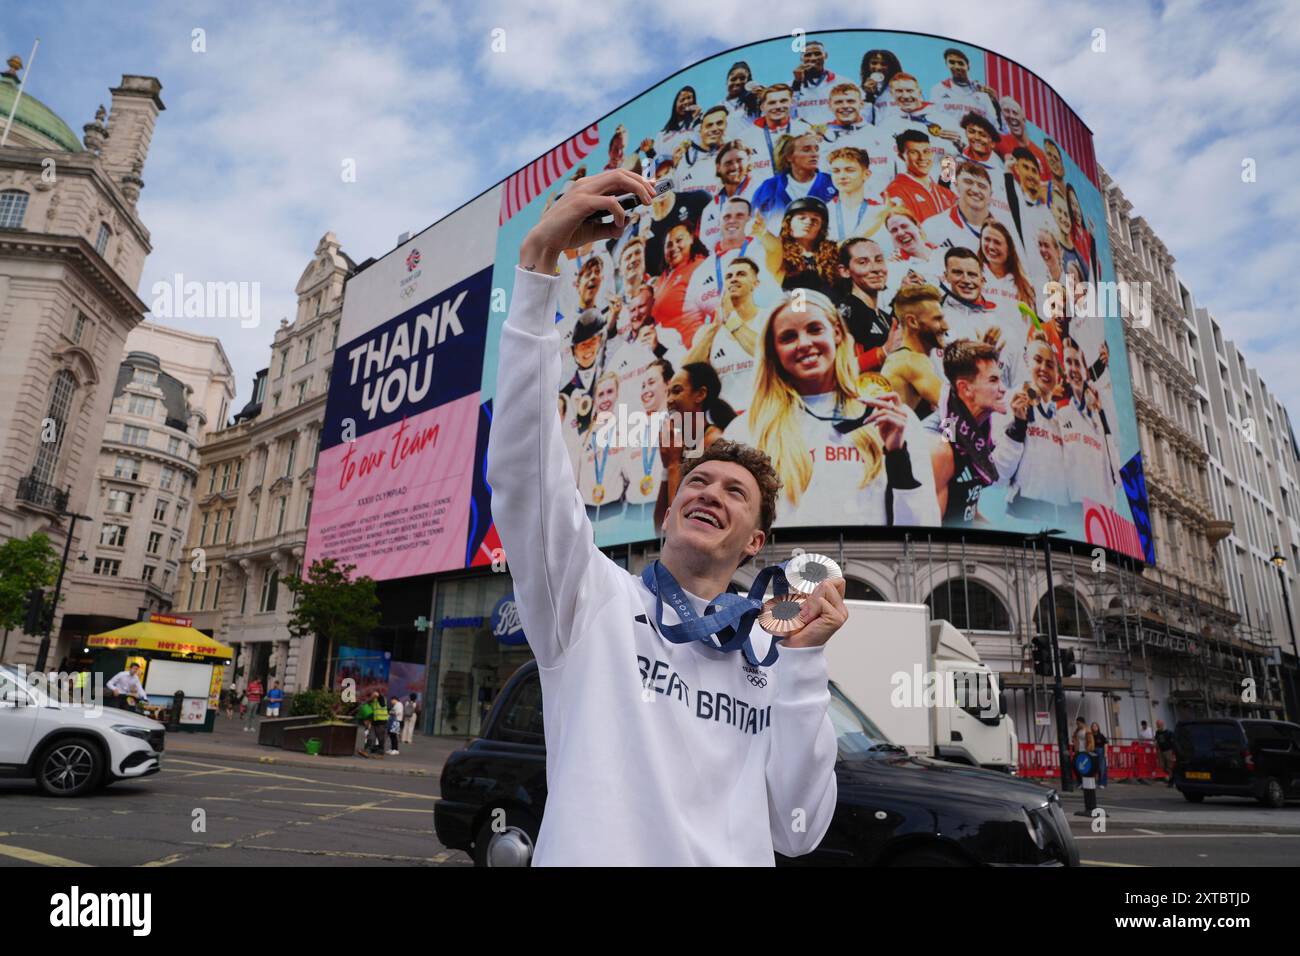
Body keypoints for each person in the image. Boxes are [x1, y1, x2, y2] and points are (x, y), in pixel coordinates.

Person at [489, 168, 844, 865]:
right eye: (699, 481)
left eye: (735, 493)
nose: (709, 492)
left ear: (755, 542)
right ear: (671, 512)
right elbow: (527, 477)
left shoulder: (771, 652)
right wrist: (537, 273)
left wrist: (804, 664)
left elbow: (796, 831)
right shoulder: (590, 604)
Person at [722, 290, 939, 527]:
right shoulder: (745, 430)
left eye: (814, 329)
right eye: (788, 337)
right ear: (773, 350)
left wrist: (898, 456)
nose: (804, 344)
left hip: (870, 564)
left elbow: (923, 530)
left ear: (836, 332)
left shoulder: (892, 417)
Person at [924, 338, 1026, 525]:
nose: (1003, 389)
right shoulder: (940, 447)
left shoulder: (974, 432)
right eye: (993, 380)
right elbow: (929, 533)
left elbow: (967, 509)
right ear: (965, 388)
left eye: (1001, 379)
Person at [654, 362, 738, 527]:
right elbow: (658, 525)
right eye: (668, 393)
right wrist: (666, 469)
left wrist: (673, 464)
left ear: (700, 394)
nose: (669, 400)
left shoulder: (715, 444)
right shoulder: (682, 446)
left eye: (677, 391)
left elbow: (677, 527)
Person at [1001, 332, 1069, 524]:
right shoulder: (1013, 401)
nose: (1043, 369)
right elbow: (998, 475)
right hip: (1022, 512)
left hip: (1059, 517)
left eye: (1050, 365)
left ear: (1058, 375)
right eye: (1037, 361)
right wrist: (1018, 426)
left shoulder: (1062, 418)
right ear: (1026, 363)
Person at [684, 256, 762, 414]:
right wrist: (715, 327)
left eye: (741, 274)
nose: (733, 279)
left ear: (755, 284)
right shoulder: (708, 331)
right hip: (724, 422)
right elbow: (687, 373)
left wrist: (732, 320)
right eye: (729, 276)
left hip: (762, 414)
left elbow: (767, 353)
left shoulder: (769, 318)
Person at [881, 283, 948, 419]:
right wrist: (948, 439)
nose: (946, 326)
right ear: (913, 322)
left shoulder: (902, 357)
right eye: (937, 319)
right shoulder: (912, 361)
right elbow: (950, 409)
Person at [751, 131, 836, 234]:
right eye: (806, 150)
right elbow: (754, 221)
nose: (814, 154)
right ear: (789, 157)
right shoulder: (770, 186)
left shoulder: (832, 183)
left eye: (816, 149)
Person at [834, 237, 898, 373]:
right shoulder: (843, 315)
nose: (875, 269)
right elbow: (840, 370)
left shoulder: (886, 317)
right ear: (844, 271)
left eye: (879, 260)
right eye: (863, 262)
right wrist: (883, 352)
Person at [750, 197, 838, 294]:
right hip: (798, 307)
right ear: (788, 224)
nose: (808, 222)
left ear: (822, 227)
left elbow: (853, 245)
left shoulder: (834, 251)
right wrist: (763, 232)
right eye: (802, 218)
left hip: (832, 308)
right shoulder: (782, 257)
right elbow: (774, 249)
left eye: (814, 219)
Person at [650, 222, 717, 348]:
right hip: (666, 353)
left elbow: (715, 311)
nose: (674, 247)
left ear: (691, 238)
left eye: (679, 240)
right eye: (669, 244)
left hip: (692, 349)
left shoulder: (701, 267)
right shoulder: (663, 278)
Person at [875, 73, 964, 165]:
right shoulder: (886, 125)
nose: (905, 96)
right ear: (892, 94)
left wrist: (961, 147)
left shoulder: (945, 120)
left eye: (910, 91)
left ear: (919, 92)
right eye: (899, 91)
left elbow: (961, 159)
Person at [731, 83, 815, 181]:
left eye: (783, 101)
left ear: (792, 102)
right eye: (772, 103)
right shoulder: (746, 138)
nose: (778, 106)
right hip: (763, 193)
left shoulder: (804, 130)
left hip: (799, 190)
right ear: (762, 107)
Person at [817, 84, 893, 185]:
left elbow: (894, 173)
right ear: (830, 106)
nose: (845, 106)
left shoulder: (881, 135)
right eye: (839, 102)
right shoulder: (820, 137)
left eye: (851, 101)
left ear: (861, 104)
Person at [882, 130, 957, 225]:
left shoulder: (946, 193)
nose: (922, 157)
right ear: (901, 156)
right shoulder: (894, 192)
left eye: (926, 151)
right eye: (914, 152)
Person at [824, 146, 882, 243]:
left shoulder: (880, 211)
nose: (842, 176)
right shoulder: (824, 212)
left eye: (850, 170)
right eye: (836, 171)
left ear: (866, 174)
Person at [928, 47, 999, 126]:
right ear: (946, 64)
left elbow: (996, 126)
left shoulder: (982, 92)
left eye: (960, 63)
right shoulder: (938, 89)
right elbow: (933, 118)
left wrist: (995, 104)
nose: (957, 67)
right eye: (952, 62)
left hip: (975, 137)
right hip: (950, 137)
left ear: (968, 66)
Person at [674, 104, 732, 196]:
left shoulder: (732, 160)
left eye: (720, 123)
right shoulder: (684, 161)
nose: (714, 129)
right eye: (709, 125)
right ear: (701, 130)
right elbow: (666, 190)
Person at [993, 97, 1050, 179]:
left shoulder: (1041, 155)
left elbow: (1049, 187)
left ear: (1023, 119)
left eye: (1015, 113)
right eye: (1007, 112)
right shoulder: (999, 141)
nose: (1012, 116)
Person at [789, 39, 841, 127]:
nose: (813, 58)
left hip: (835, 135)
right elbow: (788, 113)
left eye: (817, 54)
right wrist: (797, 83)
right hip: (803, 135)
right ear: (802, 58)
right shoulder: (789, 86)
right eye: (808, 55)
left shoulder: (841, 83)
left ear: (825, 55)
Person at [859, 48, 903, 115]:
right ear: (867, 65)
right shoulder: (860, 91)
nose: (878, 67)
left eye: (884, 64)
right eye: (874, 63)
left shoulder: (902, 88)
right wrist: (869, 94)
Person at [1154, 719, 1176, 786]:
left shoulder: (1169, 732)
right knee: (1162, 766)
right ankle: (1172, 775)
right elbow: (1156, 741)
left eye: (1159, 724)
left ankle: (1171, 780)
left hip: (1168, 750)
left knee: (1169, 766)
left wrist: (1173, 751)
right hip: (1161, 751)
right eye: (1157, 725)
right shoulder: (1157, 733)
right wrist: (1157, 749)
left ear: (1162, 724)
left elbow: (1173, 742)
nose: (1158, 726)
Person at [1091, 721, 1109, 788]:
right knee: (1095, 768)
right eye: (1093, 726)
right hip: (1093, 751)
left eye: (1095, 726)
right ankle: (1096, 782)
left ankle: (1102, 783)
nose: (1094, 727)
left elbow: (1106, 744)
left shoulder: (1101, 735)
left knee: (1102, 767)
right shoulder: (1091, 736)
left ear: (1098, 727)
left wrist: (1105, 753)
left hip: (1100, 751)